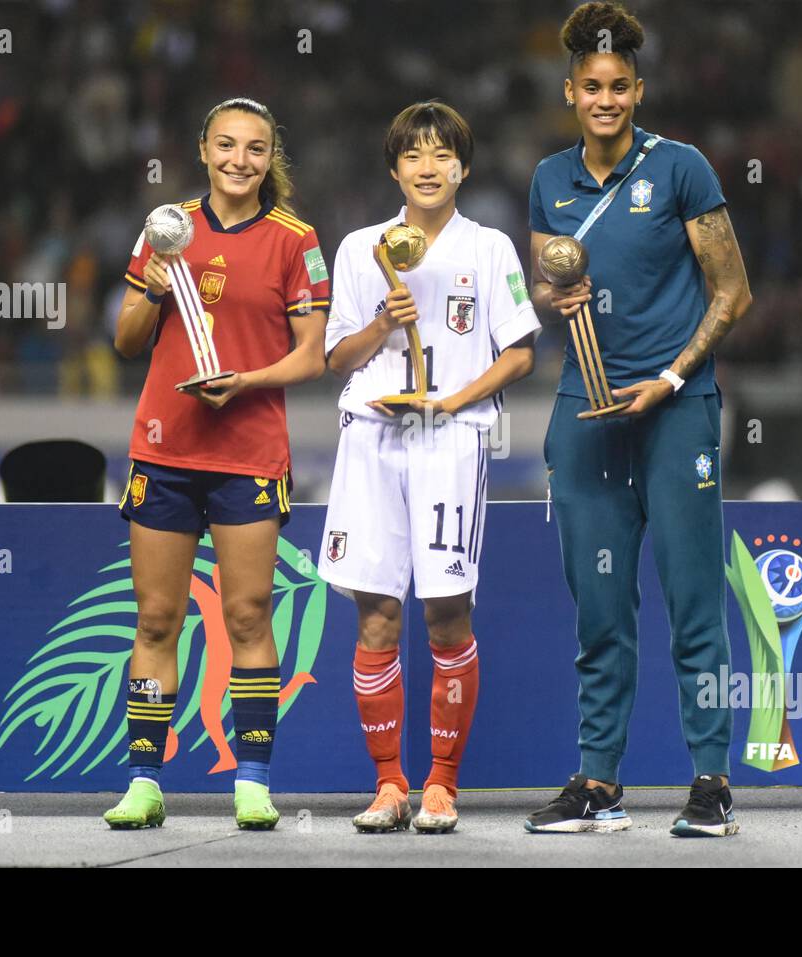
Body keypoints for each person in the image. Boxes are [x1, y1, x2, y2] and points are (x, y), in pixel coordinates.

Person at [523, 2, 753, 836]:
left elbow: (733, 291)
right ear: (571, 91)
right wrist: (557, 298)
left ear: (638, 89)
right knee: (600, 607)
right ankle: (598, 784)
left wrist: (671, 375)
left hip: (674, 409)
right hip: (585, 412)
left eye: (620, 86)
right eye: (592, 86)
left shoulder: (682, 167)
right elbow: (551, 289)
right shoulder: (550, 179)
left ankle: (711, 781)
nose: (607, 98)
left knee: (694, 598)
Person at [103, 97, 330, 830]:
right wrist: (155, 290)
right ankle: (144, 781)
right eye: (226, 145)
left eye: (255, 148)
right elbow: (127, 340)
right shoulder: (167, 228)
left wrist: (247, 381)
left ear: (272, 157)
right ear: (203, 150)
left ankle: (253, 781)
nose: (240, 159)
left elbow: (312, 354)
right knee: (158, 618)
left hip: (248, 453)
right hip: (164, 449)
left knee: (247, 612)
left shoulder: (297, 240)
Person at [318, 101, 540, 834]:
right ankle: (389, 783)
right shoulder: (361, 248)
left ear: (463, 168)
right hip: (373, 437)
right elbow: (336, 357)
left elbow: (519, 352)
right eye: (414, 154)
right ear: (394, 168)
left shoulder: (490, 248)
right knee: (376, 613)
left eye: (443, 154)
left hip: (451, 441)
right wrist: (384, 321)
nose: (428, 166)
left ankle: (442, 784)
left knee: (447, 614)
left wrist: (450, 404)